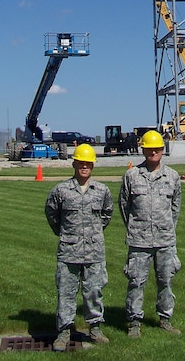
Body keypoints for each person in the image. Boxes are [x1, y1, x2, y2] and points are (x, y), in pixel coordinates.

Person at [44, 143, 113, 350]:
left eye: (88, 163)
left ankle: (95, 328)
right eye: (81, 163)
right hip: (69, 251)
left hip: (94, 251)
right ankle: (64, 331)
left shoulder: (102, 191)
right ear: (74, 163)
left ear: (93, 166)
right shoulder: (61, 190)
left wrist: (94, 233)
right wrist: (64, 233)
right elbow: (51, 213)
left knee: (94, 291)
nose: (84, 167)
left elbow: (107, 214)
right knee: (66, 292)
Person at [118, 129, 182, 338]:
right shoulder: (132, 176)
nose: (153, 152)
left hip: (165, 240)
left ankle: (165, 319)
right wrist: (136, 227)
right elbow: (124, 206)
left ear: (162, 150)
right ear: (143, 150)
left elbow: (175, 208)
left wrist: (166, 228)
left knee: (166, 281)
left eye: (156, 149)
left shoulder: (172, 177)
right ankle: (134, 322)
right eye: (148, 149)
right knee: (136, 281)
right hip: (139, 241)